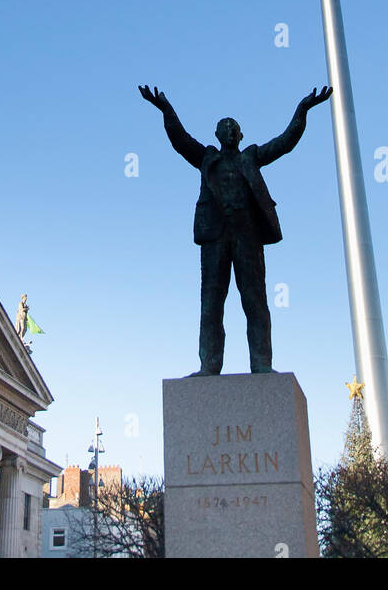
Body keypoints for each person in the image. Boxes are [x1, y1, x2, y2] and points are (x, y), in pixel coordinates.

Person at [139, 83, 332, 374]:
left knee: (255, 301)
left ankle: (262, 364)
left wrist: (302, 110)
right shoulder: (206, 157)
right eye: (225, 127)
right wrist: (165, 108)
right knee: (211, 305)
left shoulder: (251, 156)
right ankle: (209, 366)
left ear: (241, 135)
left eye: (234, 128)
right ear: (217, 135)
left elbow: (285, 142)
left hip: (247, 236)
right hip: (215, 236)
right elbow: (180, 139)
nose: (230, 131)